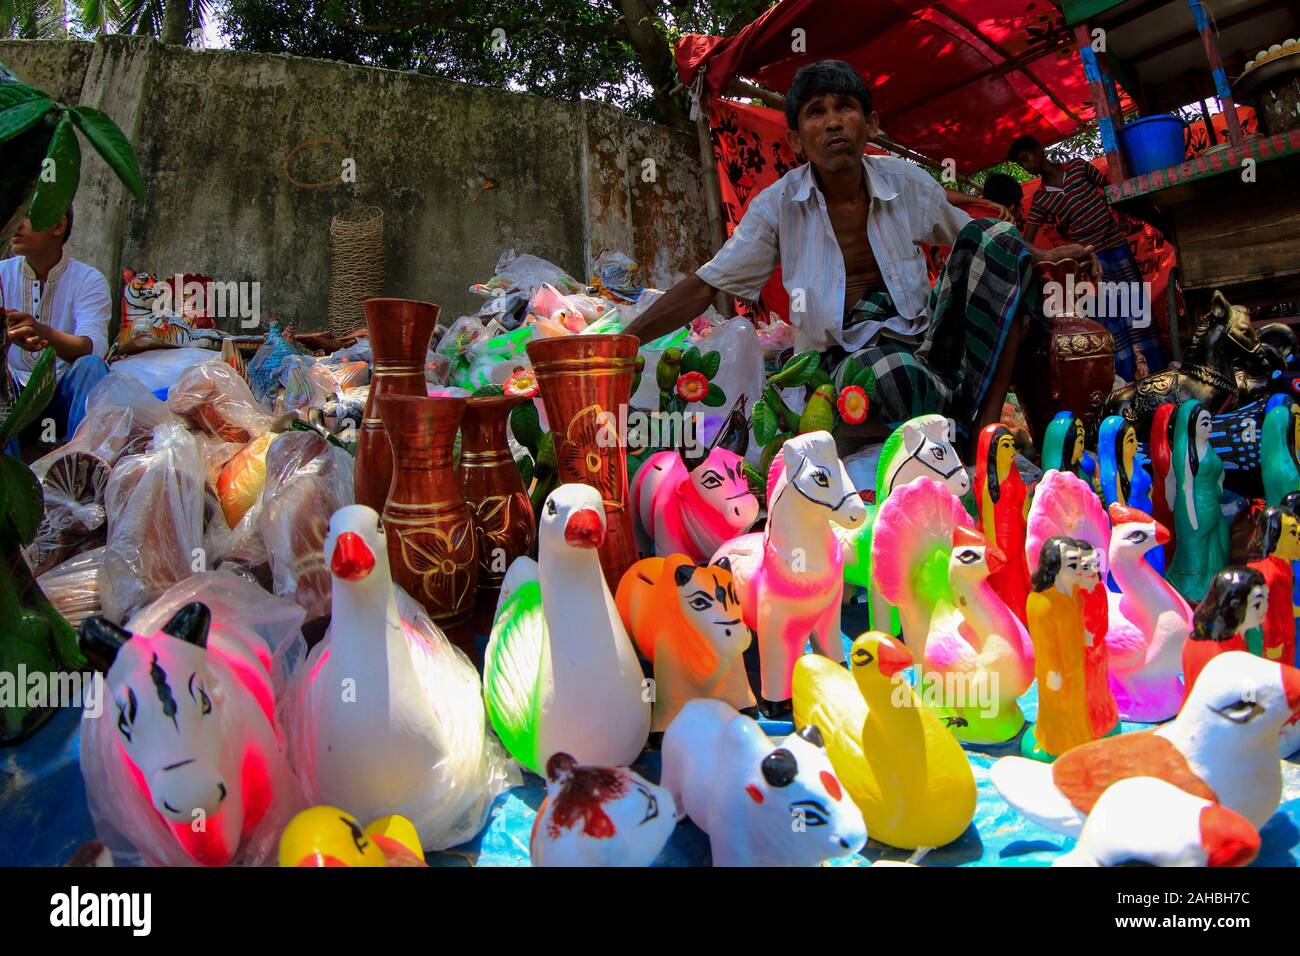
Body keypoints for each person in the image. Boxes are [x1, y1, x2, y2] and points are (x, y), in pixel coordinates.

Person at [625, 60, 1090, 453]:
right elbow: (710, 282)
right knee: (889, 377)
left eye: (845, 108)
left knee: (1000, 238)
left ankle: (983, 433)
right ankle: (948, 413)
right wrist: (624, 341)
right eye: (816, 113)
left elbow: (980, 240)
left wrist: (1047, 254)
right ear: (795, 139)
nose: (832, 123)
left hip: (925, 342)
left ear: (870, 125)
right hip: (842, 357)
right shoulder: (778, 205)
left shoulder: (906, 182)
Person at [1007, 135, 1167, 382]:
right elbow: (1026, 239)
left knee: (1136, 308)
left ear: (1039, 150)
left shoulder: (1079, 167)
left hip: (1116, 245)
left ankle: (1158, 371)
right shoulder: (1040, 199)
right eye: (1021, 164)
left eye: (1026, 159)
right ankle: (1127, 379)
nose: (1026, 166)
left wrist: (1124, 217)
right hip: (1092, 260)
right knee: (1112, 318)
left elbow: (1109, 189)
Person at [1, 206, 110, 447]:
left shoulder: (88, 280)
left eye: (28, 215)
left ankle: (82, 465)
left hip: (63, 394)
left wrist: (44, 333)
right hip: (12, 393)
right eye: (16, 215)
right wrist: (7, 339)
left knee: (91, 366)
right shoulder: (1, 274)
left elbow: (94, 346)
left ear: (58, 226)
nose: (17, 225)